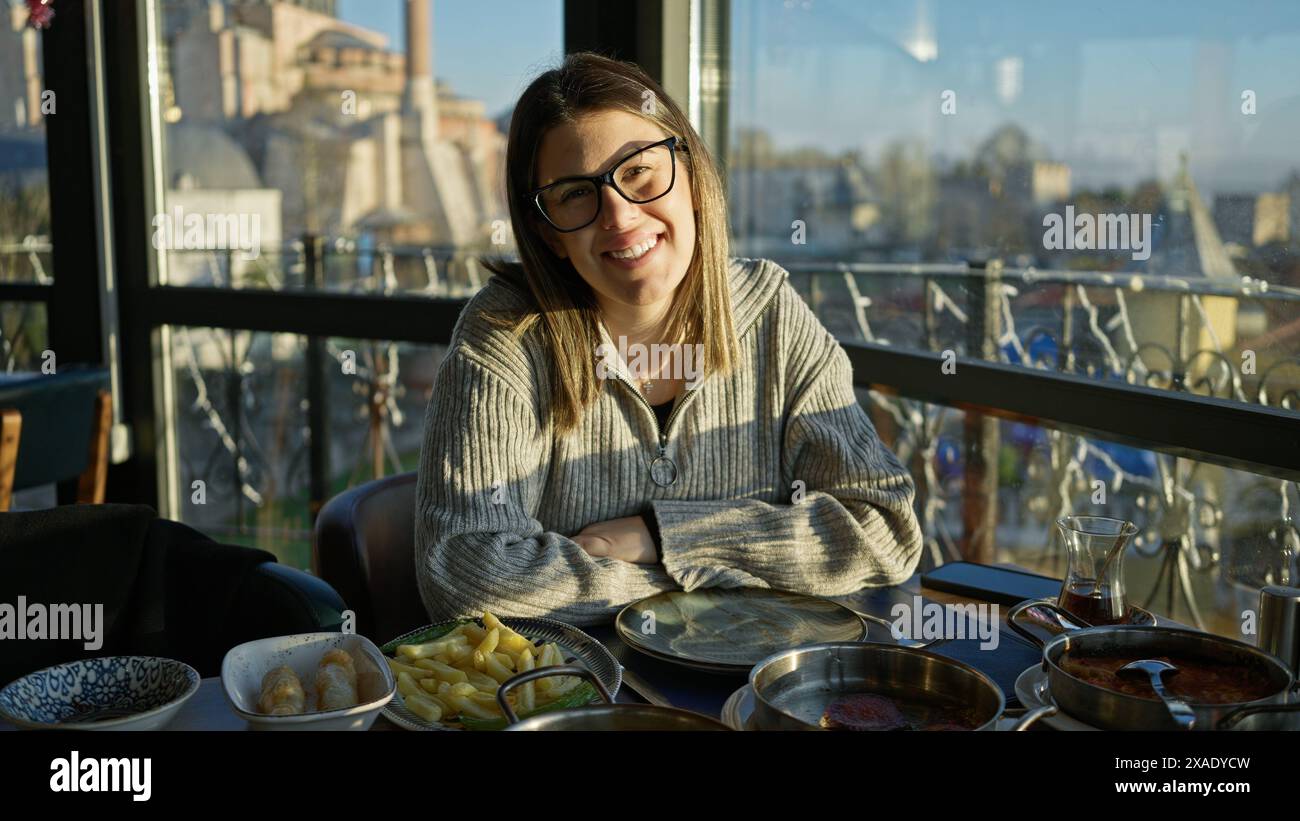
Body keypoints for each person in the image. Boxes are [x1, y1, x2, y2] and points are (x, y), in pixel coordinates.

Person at [415, 52, 922, 626]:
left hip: (764, 696)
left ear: (693, 176)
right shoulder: (504, 339)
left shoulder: (774, 316)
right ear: (548, 233)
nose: (620, 216)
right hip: (583, 701)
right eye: (576, 193)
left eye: (638, 172)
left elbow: (884, 531)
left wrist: (665, 533)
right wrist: (697, 582)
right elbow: (463, 575)